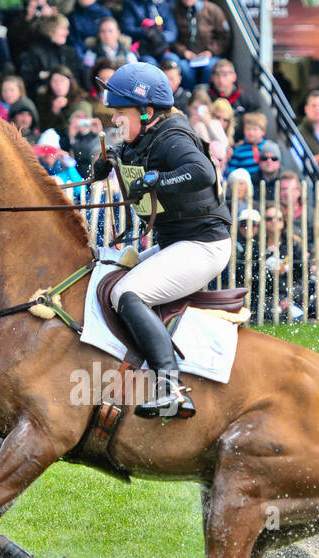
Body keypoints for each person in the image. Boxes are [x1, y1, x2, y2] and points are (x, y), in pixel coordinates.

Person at [87, 61, 231, 418]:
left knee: (127, 292)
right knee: (106, 275)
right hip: (176, 243)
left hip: (203, 244)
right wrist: (103, 166)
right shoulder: (141, 140)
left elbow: (201, 172)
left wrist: (157, 180)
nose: (114, 121)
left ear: (147, 111)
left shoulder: (172, 136)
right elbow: (131, 163)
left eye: (121, 113)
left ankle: (172, 388)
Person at [171, 0, 230, 90]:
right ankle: (190, 95)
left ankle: (203, 95)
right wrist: (184, 52)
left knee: (210, 67)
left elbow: (224, 36)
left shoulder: (213, 9)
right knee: (183, 67)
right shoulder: (175, 10)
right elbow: (173, 38)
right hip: (187, 57)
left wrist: (211, 52)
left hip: (209, 56)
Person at [298, 89, 319, 169]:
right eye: (314, 106)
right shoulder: (297, 134)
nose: (317, 109)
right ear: (306, 109)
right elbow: (296, 164)